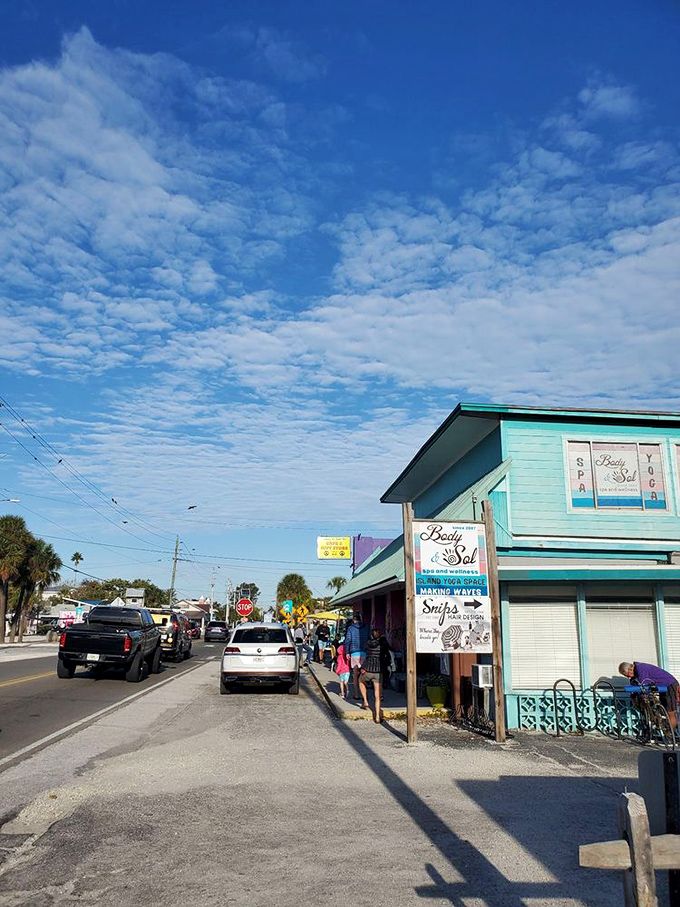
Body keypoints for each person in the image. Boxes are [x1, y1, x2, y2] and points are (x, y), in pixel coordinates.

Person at [619, 660, 679, 727]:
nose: (628, 677)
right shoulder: (636, 672)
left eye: (627, 675)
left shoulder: (641, 669)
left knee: (670, 712)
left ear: (630, 669)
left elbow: (642, 685)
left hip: (670, 684)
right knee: (663, 709)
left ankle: (672, 734)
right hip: (661, 687)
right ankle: (664, 728)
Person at [359, 628, 384, 723]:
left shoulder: (368, 643)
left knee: (361, 681)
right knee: (377, 695)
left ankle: (365, 701)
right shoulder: (382, 644)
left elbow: (366, 654)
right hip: (378, 670)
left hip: (368, 669)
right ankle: (377, 716)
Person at [344, 612, 369, 699]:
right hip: (364, 652)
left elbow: (347, 640)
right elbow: (368, 639)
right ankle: (364, 694)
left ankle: (356, 694)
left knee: (355, 674)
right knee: (364, 674)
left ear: (354, 620)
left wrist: (347, 652)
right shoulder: (366, 627)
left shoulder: (350, 628)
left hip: (354, 653)